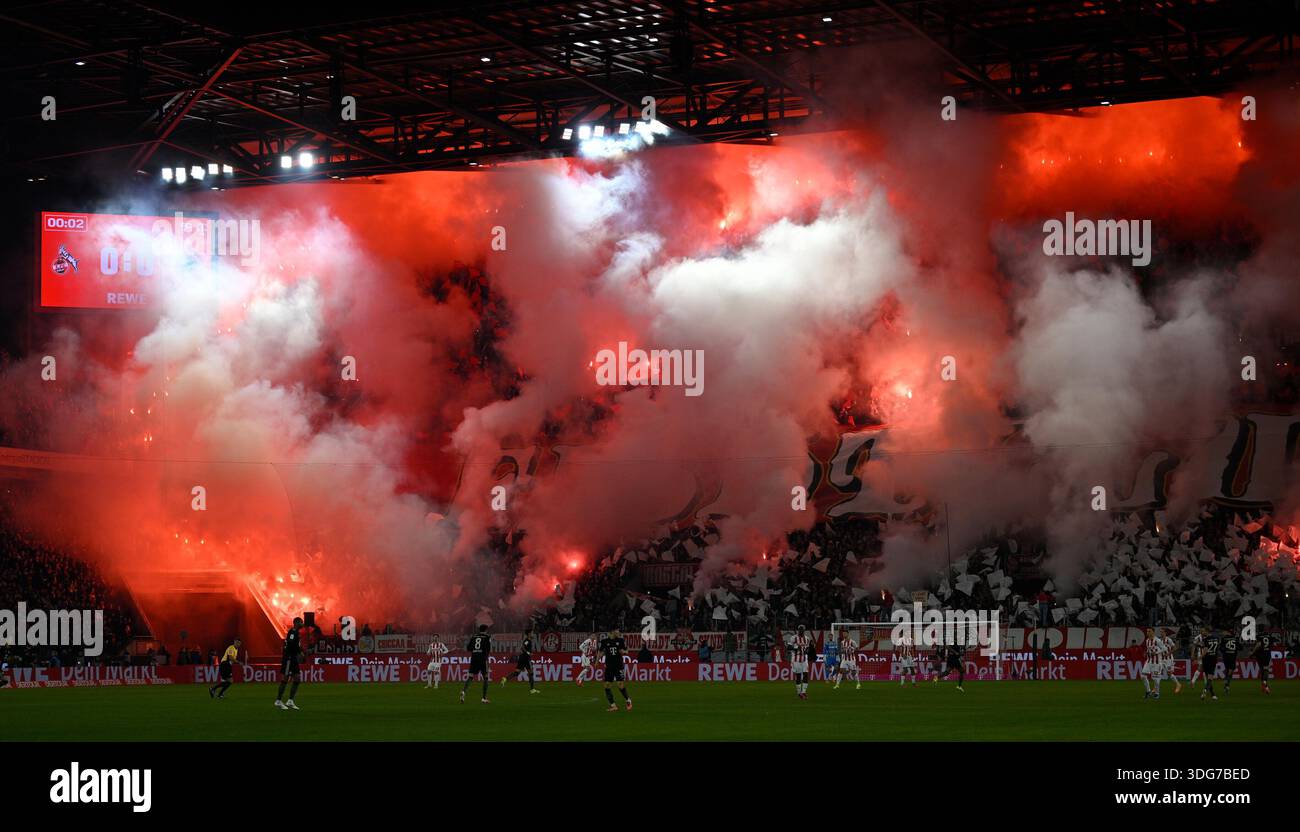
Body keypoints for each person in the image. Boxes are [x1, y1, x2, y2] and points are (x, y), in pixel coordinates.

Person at [599, 628, 632, 711]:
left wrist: (624, 652)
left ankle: (628, 700)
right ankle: (613, 706)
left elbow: (625, 651)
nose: (619, 632)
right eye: (617, 631)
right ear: (612, 631)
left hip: (618, 666)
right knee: (607, 685)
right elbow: (601, 652)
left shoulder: (620, 640)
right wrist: (596, 661)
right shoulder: (604, 641)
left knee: (620, 685)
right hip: (609, 667)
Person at [274, 618, 304, 710]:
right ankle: (278, 701)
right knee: (285, 679)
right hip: (289, 659)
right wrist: (299, 652)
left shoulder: (297, 633)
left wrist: (300, 652)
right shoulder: (292, 632)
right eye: (301, 622)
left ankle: (290, 701)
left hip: (293, 659)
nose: (302, 624)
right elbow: (291, 644)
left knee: (297, 679)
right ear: (296, 623)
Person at [501, 626, 539, 693]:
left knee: (516, 673)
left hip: (522, 658)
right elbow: (522, 647)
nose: (533, 634)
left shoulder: (528, 640)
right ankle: (532, 689)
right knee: (531, 673)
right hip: (526, 659)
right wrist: (528, 653)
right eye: (532, 633)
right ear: (529, 634)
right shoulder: (527, 640)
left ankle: (505, 679)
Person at [460, 624, 492, 704]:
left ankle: (464, 691)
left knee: (470, 676)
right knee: (485, 677)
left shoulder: (474, 637)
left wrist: (475, 651)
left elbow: (468, 648)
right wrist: (487, 660)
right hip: (482, 658)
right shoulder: (487, 637)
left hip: (474, 658)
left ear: (479, 629)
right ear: (486, 630)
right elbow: (488, 649)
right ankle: (484, 698)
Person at [789, 625, 812, 700]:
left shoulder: (807, 639)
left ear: (804, 630)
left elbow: (808, 648)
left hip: (804, 659)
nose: (801, 631)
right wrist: (795, 647)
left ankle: (804, 692)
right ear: (798, 630)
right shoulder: (793, 638)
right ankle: (799, 693)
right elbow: (788, 647)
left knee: (806, 674)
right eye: (799, 630)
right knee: (798, 676)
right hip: (796, 659)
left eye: (802, 630)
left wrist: (807, 651)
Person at [1220, 628, 1238, 695]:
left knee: (1227, 669)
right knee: (1231, 670)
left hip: (1226, 656)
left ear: (1227, 632)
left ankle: (1226, 684)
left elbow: (1221, 648)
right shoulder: (1235, 639)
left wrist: (1224, 652)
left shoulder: (1224, 639)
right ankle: (1227, 682)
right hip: (1232, 656)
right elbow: (1240, 647)